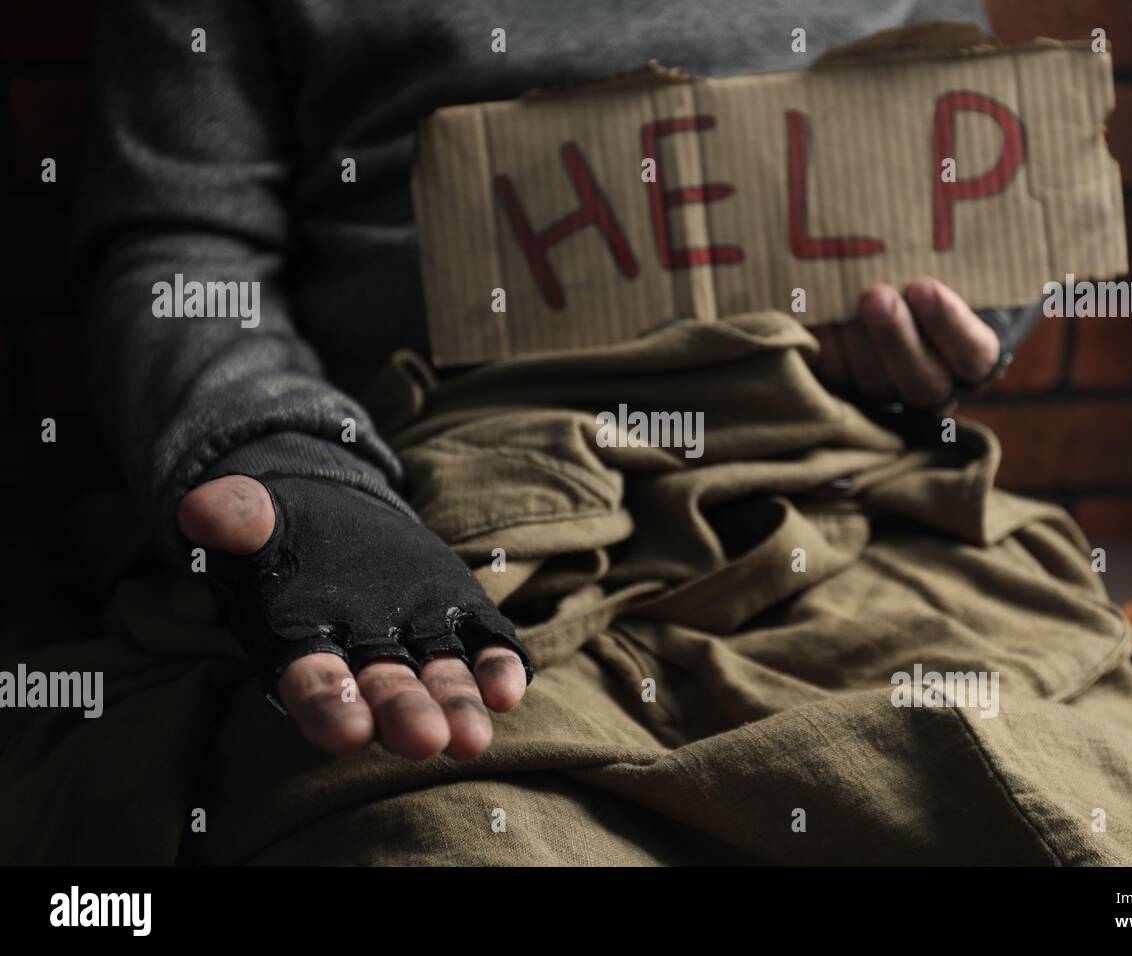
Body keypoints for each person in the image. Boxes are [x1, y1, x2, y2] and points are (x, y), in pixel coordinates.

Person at [73, 0, 1038, 762]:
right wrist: (291, 458)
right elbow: (185, 245)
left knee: (1039, 793)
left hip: (829, 487)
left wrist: (951, 326)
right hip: (429, 514)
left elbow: (967, 191)